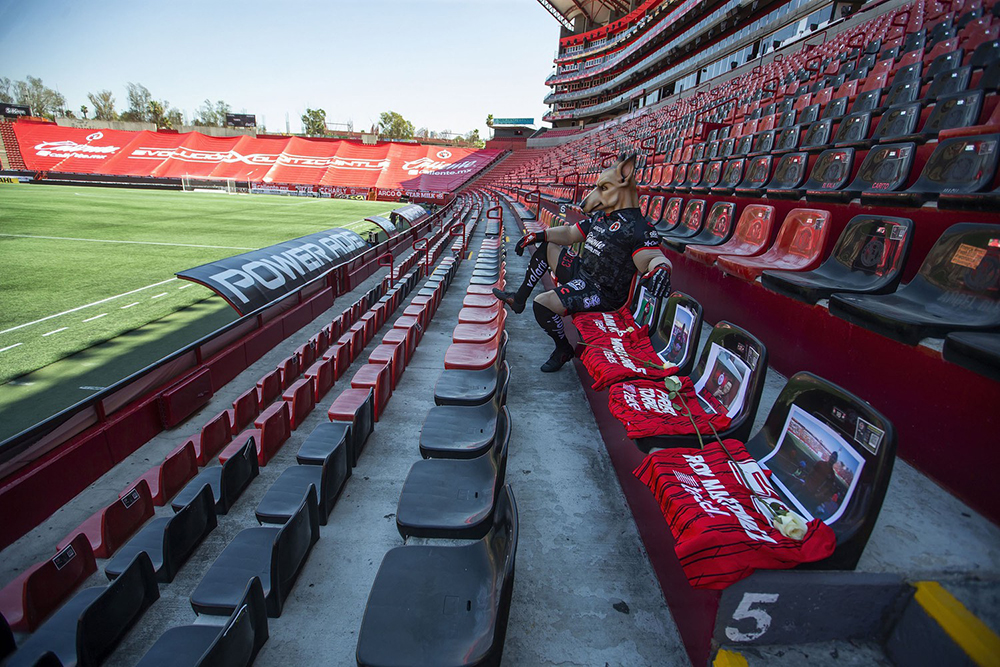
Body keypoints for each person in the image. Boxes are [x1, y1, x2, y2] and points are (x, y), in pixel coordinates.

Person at [494, 154, 672, 372]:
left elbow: (652, 257)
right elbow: (569, 234)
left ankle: (563, 349)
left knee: (542, 303)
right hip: (584, 273)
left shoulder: (639, 228)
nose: (593, 196)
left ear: (624, 184)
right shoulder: (603, 216)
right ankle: (518, 299)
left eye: (604, 188)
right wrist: (538, 235)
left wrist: (661, 268)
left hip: (601, 293)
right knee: (547, 246)